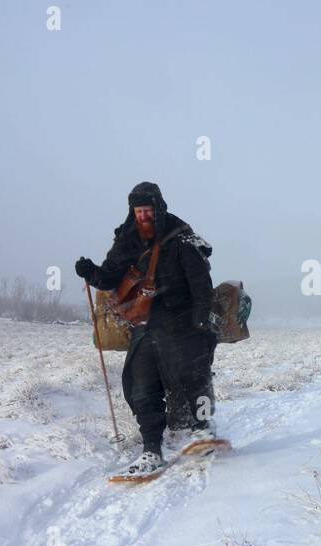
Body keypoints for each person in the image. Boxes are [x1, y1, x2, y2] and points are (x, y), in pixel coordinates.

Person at [76, 181, 217, 477]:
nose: (143, 216)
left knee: (194, 380)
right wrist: (91, 273)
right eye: (138, 211)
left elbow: (202, 284)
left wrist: (201, 320)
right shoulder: (127, 240)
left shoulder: (181, 237)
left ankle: (204, 432)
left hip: (184, 322)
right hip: (145, 327)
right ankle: (152, 450)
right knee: (140, 387)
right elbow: (110, 277)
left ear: (159, 208)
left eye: (148, 210)